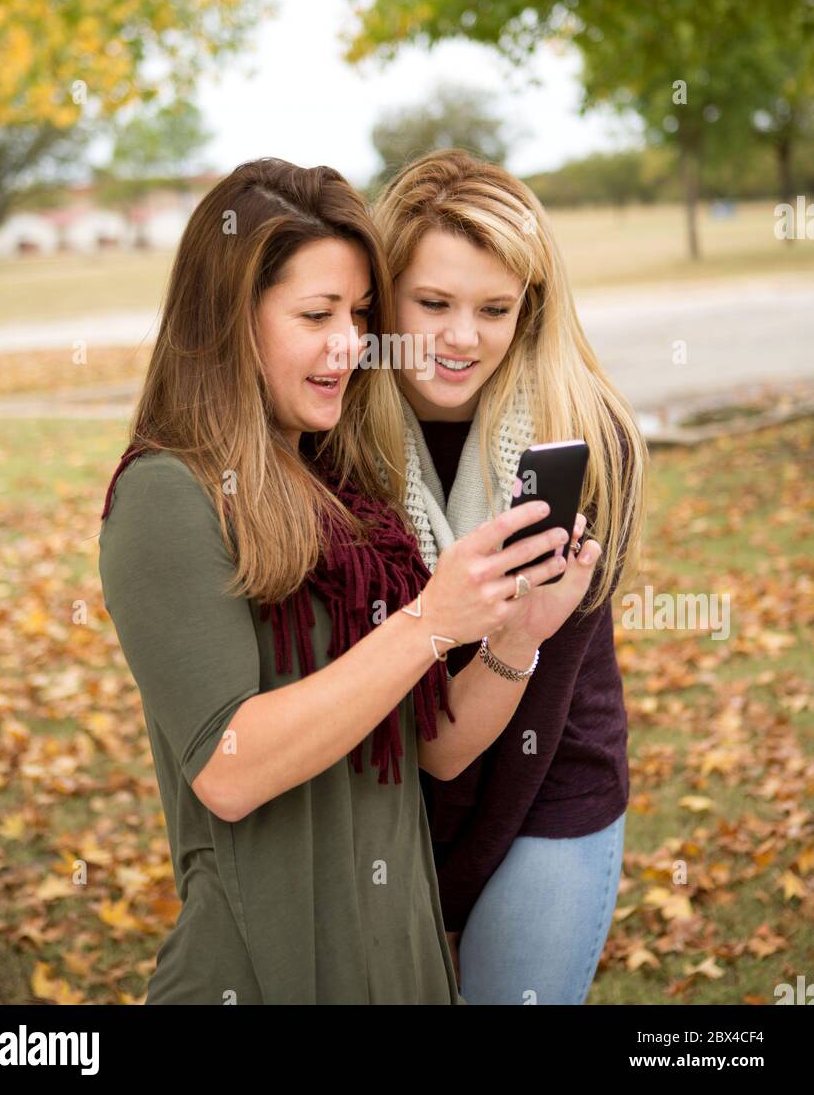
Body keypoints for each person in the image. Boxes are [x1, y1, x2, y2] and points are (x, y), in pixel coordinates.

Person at [98, 157, 604, 1005]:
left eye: (362, 314)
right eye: (316, 314)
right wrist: (427, 624)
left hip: (401, 966)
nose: (351, 344)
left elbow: (433, 750)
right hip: (266, 971)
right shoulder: (163, 496)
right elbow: (228, 771)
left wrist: (520, 634)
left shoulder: (347, 490)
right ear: (228, 319)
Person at [371, 148, 649, 1005]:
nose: (462, 337)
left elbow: (541, 691)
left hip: (548, 780)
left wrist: (460, 898)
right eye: (433, 303)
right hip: (390, 796)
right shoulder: (342, 433)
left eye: (495, 308)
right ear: (383, 298)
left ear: (529, 309)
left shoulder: (579, 435)